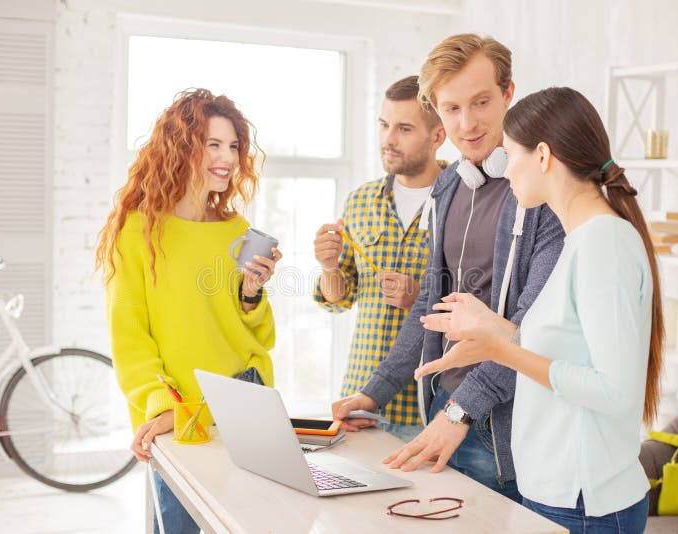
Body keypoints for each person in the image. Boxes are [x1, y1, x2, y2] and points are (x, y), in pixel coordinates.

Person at [331, 34, 564, 501]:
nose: (468, 123)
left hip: (499, 428)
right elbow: (429, 305)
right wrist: (374, 392)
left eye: (481, 102)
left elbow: (529, 331)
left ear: (508, 94)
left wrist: (461, 411)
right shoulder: (448, 190)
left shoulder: (542, 195)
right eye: (452, 108)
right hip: (441, 410)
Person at [418, 86, 661, 533]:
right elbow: (572, 353)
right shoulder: (581, 241)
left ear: (544, 156)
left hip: (584, 500)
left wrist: (500, 348)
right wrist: (494, 333)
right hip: (557, 493)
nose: (506, 171)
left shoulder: (603, 243)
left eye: (511, 155)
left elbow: (615, 391)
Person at [96, 89, 281, 534]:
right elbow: (129, 336)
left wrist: (251, 294)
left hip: (248, 398)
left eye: (234, 146)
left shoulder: (236, 230)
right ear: (181, 148)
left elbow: (259, 335)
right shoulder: (137, 231)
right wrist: (161, 407)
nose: (228, 157)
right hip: (182, 411)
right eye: (213, 144)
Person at [313, 76, 446, 442]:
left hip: (428, 406)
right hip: (361, 400)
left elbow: (481, 300)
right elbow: (339, 300)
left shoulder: (462, 200)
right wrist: (328, 267)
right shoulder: (359, 201)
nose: (388, 139)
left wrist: (421, 297)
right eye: (384, 125)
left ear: (437, 137)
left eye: (404, 128)